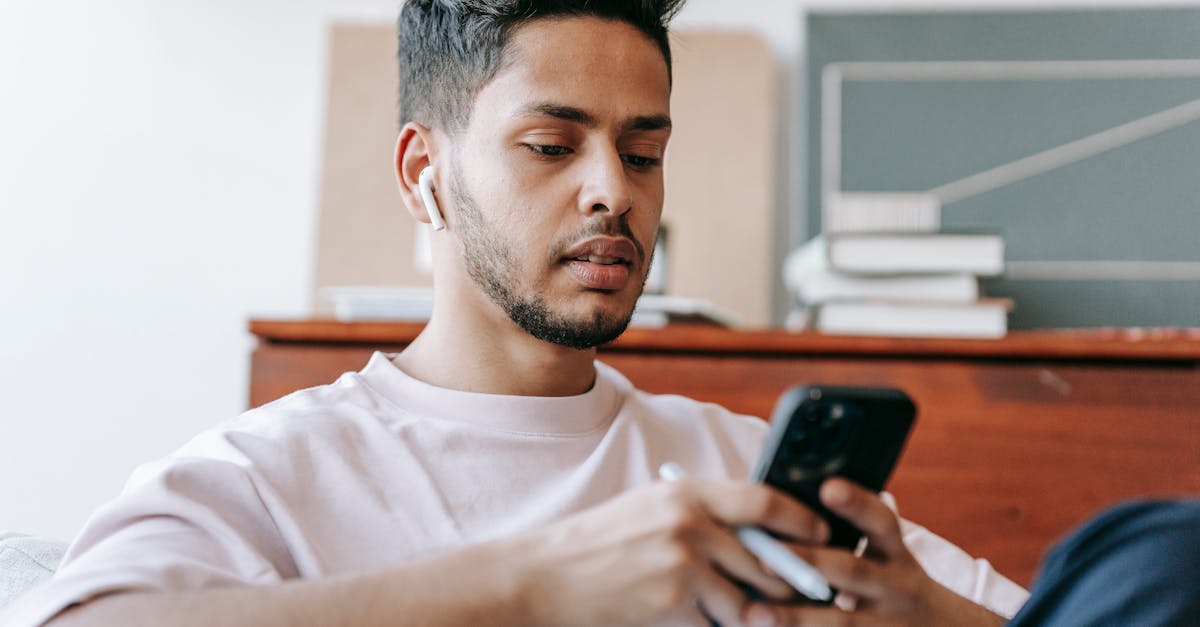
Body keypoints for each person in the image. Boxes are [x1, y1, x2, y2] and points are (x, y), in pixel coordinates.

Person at [8, 1, 1031, 625]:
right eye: (552, 145)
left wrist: (930, 619)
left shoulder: (744, 471)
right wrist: (541, 586)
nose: (612, 193)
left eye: (643, 153)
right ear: (425, 177)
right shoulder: (269, 473)